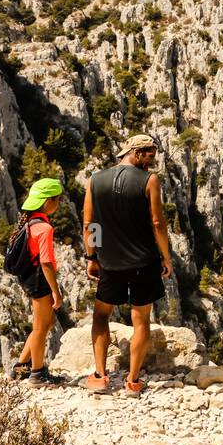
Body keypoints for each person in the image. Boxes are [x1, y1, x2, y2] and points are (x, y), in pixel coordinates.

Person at [82, 134, 173, 398]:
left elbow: (90, 224)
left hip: (110, 262)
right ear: (134, 152)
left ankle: (99, 376)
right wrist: (165, 257)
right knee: (141, 319)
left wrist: (92, 256)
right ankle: (133, 382)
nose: (150, 163)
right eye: (147, 157)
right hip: (144, 262)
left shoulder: (95, 180)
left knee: (101, 315)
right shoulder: (149, 181)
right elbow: (157, 223)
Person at [9, 178, 68, 386]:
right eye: (57, 200)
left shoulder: (29, 221)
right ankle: (37, 373)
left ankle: (21, 367)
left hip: (29, 278)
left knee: (46, 323)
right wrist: (56, 292)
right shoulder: (44, 228)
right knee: (41, 328)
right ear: (47, 202)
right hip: (40, 280)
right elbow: (46, 262)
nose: (59, 204)